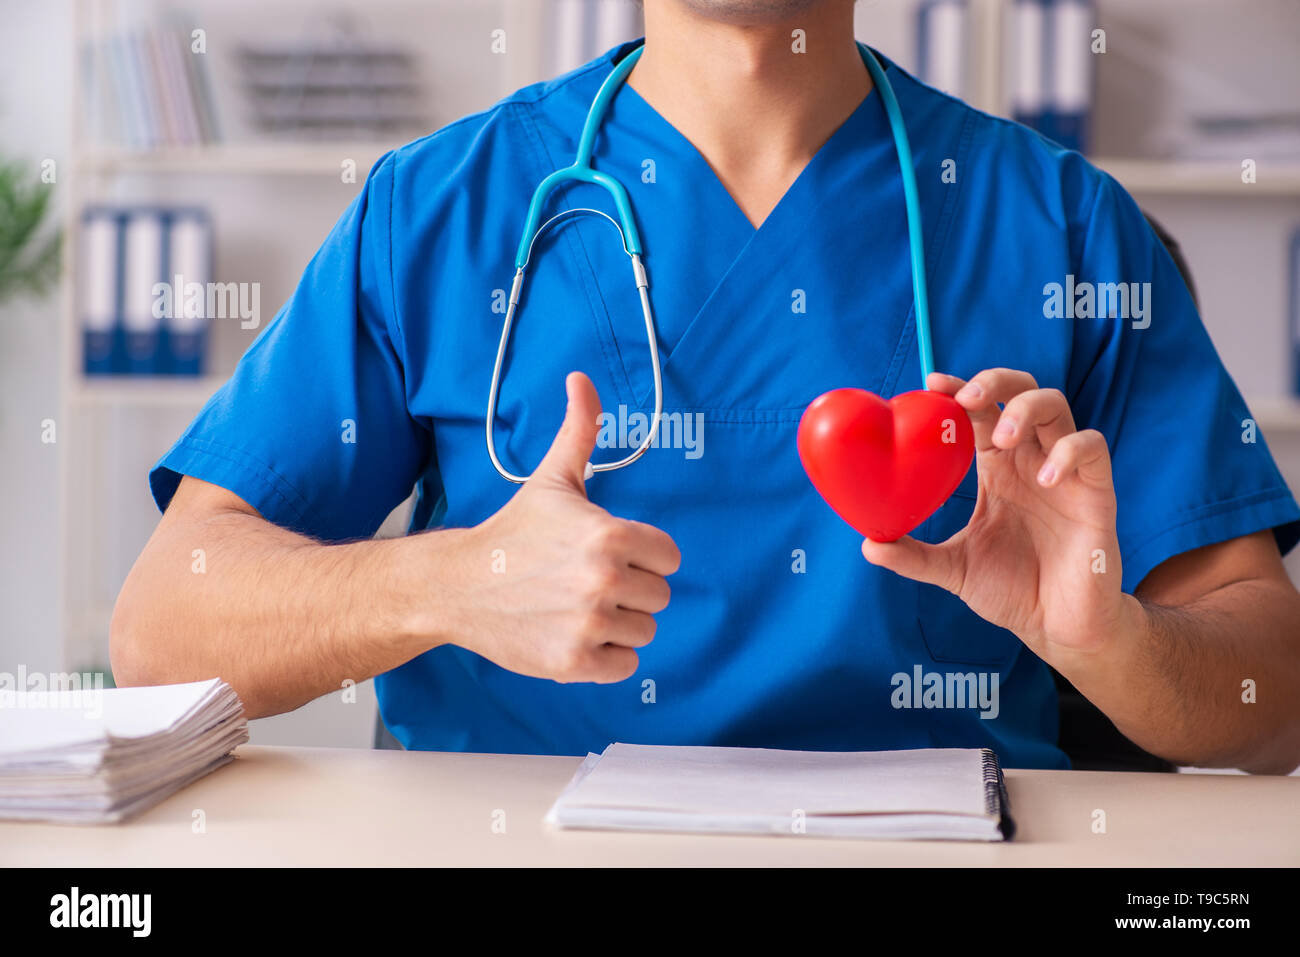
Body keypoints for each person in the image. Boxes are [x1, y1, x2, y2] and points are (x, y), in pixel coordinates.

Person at [111, 0, 1300, 772]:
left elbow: (1270, 692)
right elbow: (162, 628)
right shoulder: (440, 210)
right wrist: (451, 580)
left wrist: (1106, 640)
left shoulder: (1059, 223)